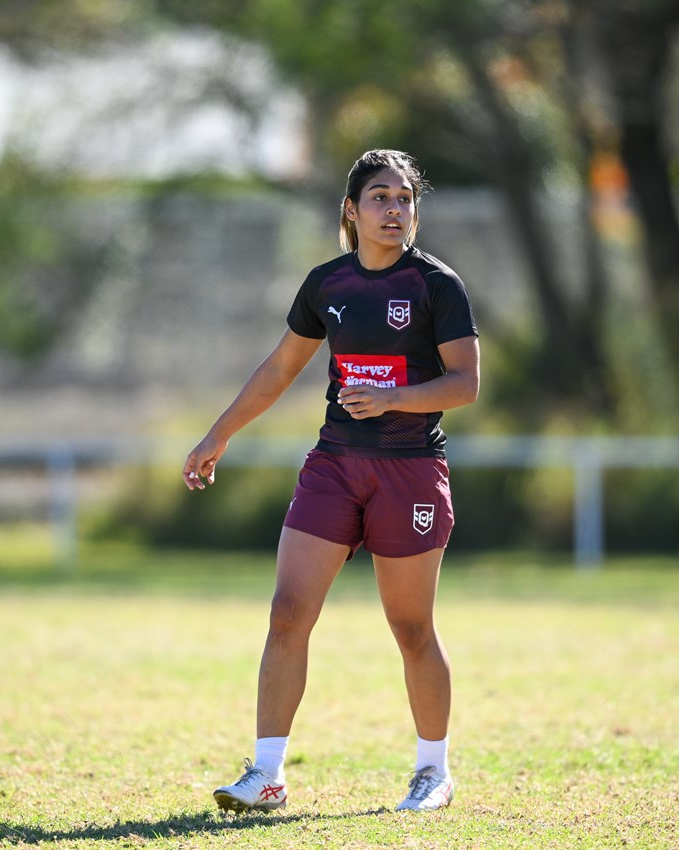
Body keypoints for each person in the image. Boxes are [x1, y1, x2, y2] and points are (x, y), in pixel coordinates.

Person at [183, 149, 480, 814]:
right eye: (380, 198)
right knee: (287, 613)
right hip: (335, 465)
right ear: (351, 209)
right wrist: (218, 434)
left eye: (404, 199)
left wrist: (395, 398)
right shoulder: (327, 285)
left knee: (411, 629)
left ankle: (433, 772)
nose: (394, 210)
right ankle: (266, 775)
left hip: (410, 472)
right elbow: (279, 369)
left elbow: (466, 383)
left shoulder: (438, 285)